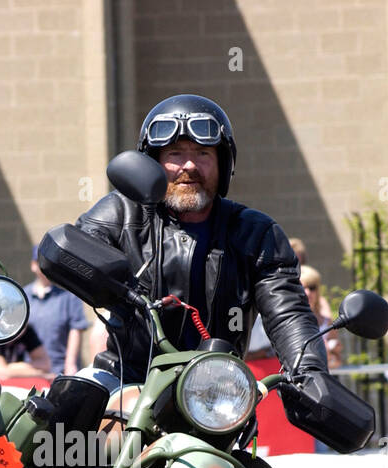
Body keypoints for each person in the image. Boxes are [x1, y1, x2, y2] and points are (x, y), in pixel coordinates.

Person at [73, 94, 327, 392]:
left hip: (216, 393)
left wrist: (310, 374)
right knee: (67, 407)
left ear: (223, 164)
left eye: (203, 153)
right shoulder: (122, 212)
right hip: (124, 378)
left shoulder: (256, 233)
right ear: (151, 164)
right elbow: (76, 247)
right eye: (175, 154)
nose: (189, 165)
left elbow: (288, 313)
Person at [25, 246, 91, 375]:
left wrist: (70, 364)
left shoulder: (68, 296)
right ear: (33, 265)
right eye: (41, 263)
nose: (44, 267)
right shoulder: (23, 296)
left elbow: (76, 330)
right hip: (32, 370)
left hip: (60, 370)